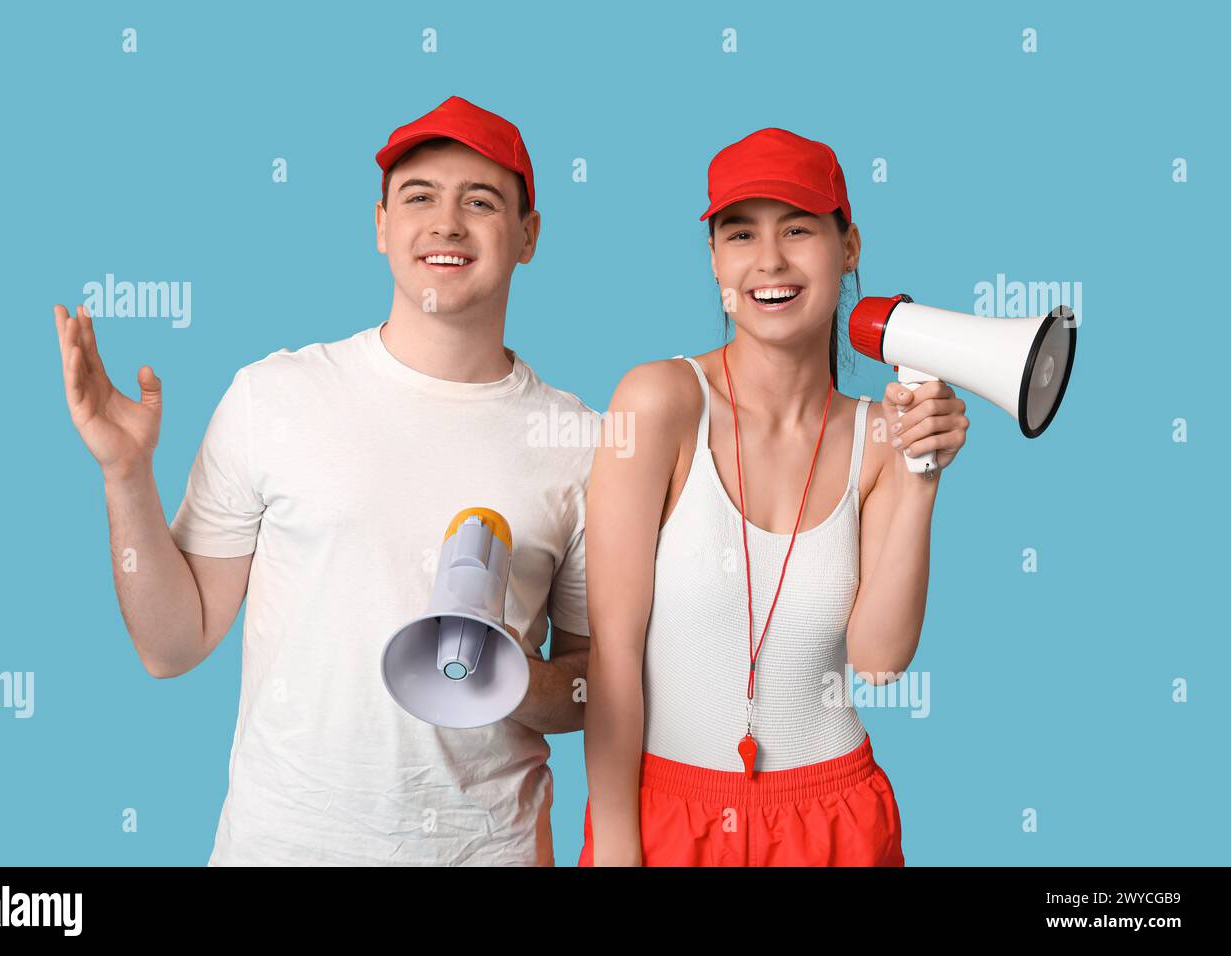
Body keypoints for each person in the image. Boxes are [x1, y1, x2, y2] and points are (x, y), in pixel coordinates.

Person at [53, 95, 598, 866]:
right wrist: (125, 474)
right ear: (381, 225)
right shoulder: (274, 397)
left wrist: (510, 682)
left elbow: (595, 687)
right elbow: (170, 646)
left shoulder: (578, 441)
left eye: (480, 201)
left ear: (528, 236)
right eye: (419, 198)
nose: (446, 223)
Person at [578, 127, 969, 866]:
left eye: (798, 229)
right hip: (667, 817)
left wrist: (923, 476)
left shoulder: (880, 437)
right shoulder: (658, 402)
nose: (769, 261)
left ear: (848, 247)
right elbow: (614, 656)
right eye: (739, 234)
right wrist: (618, 850)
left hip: (835, 820)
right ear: (715, 261)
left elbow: (879, 662)